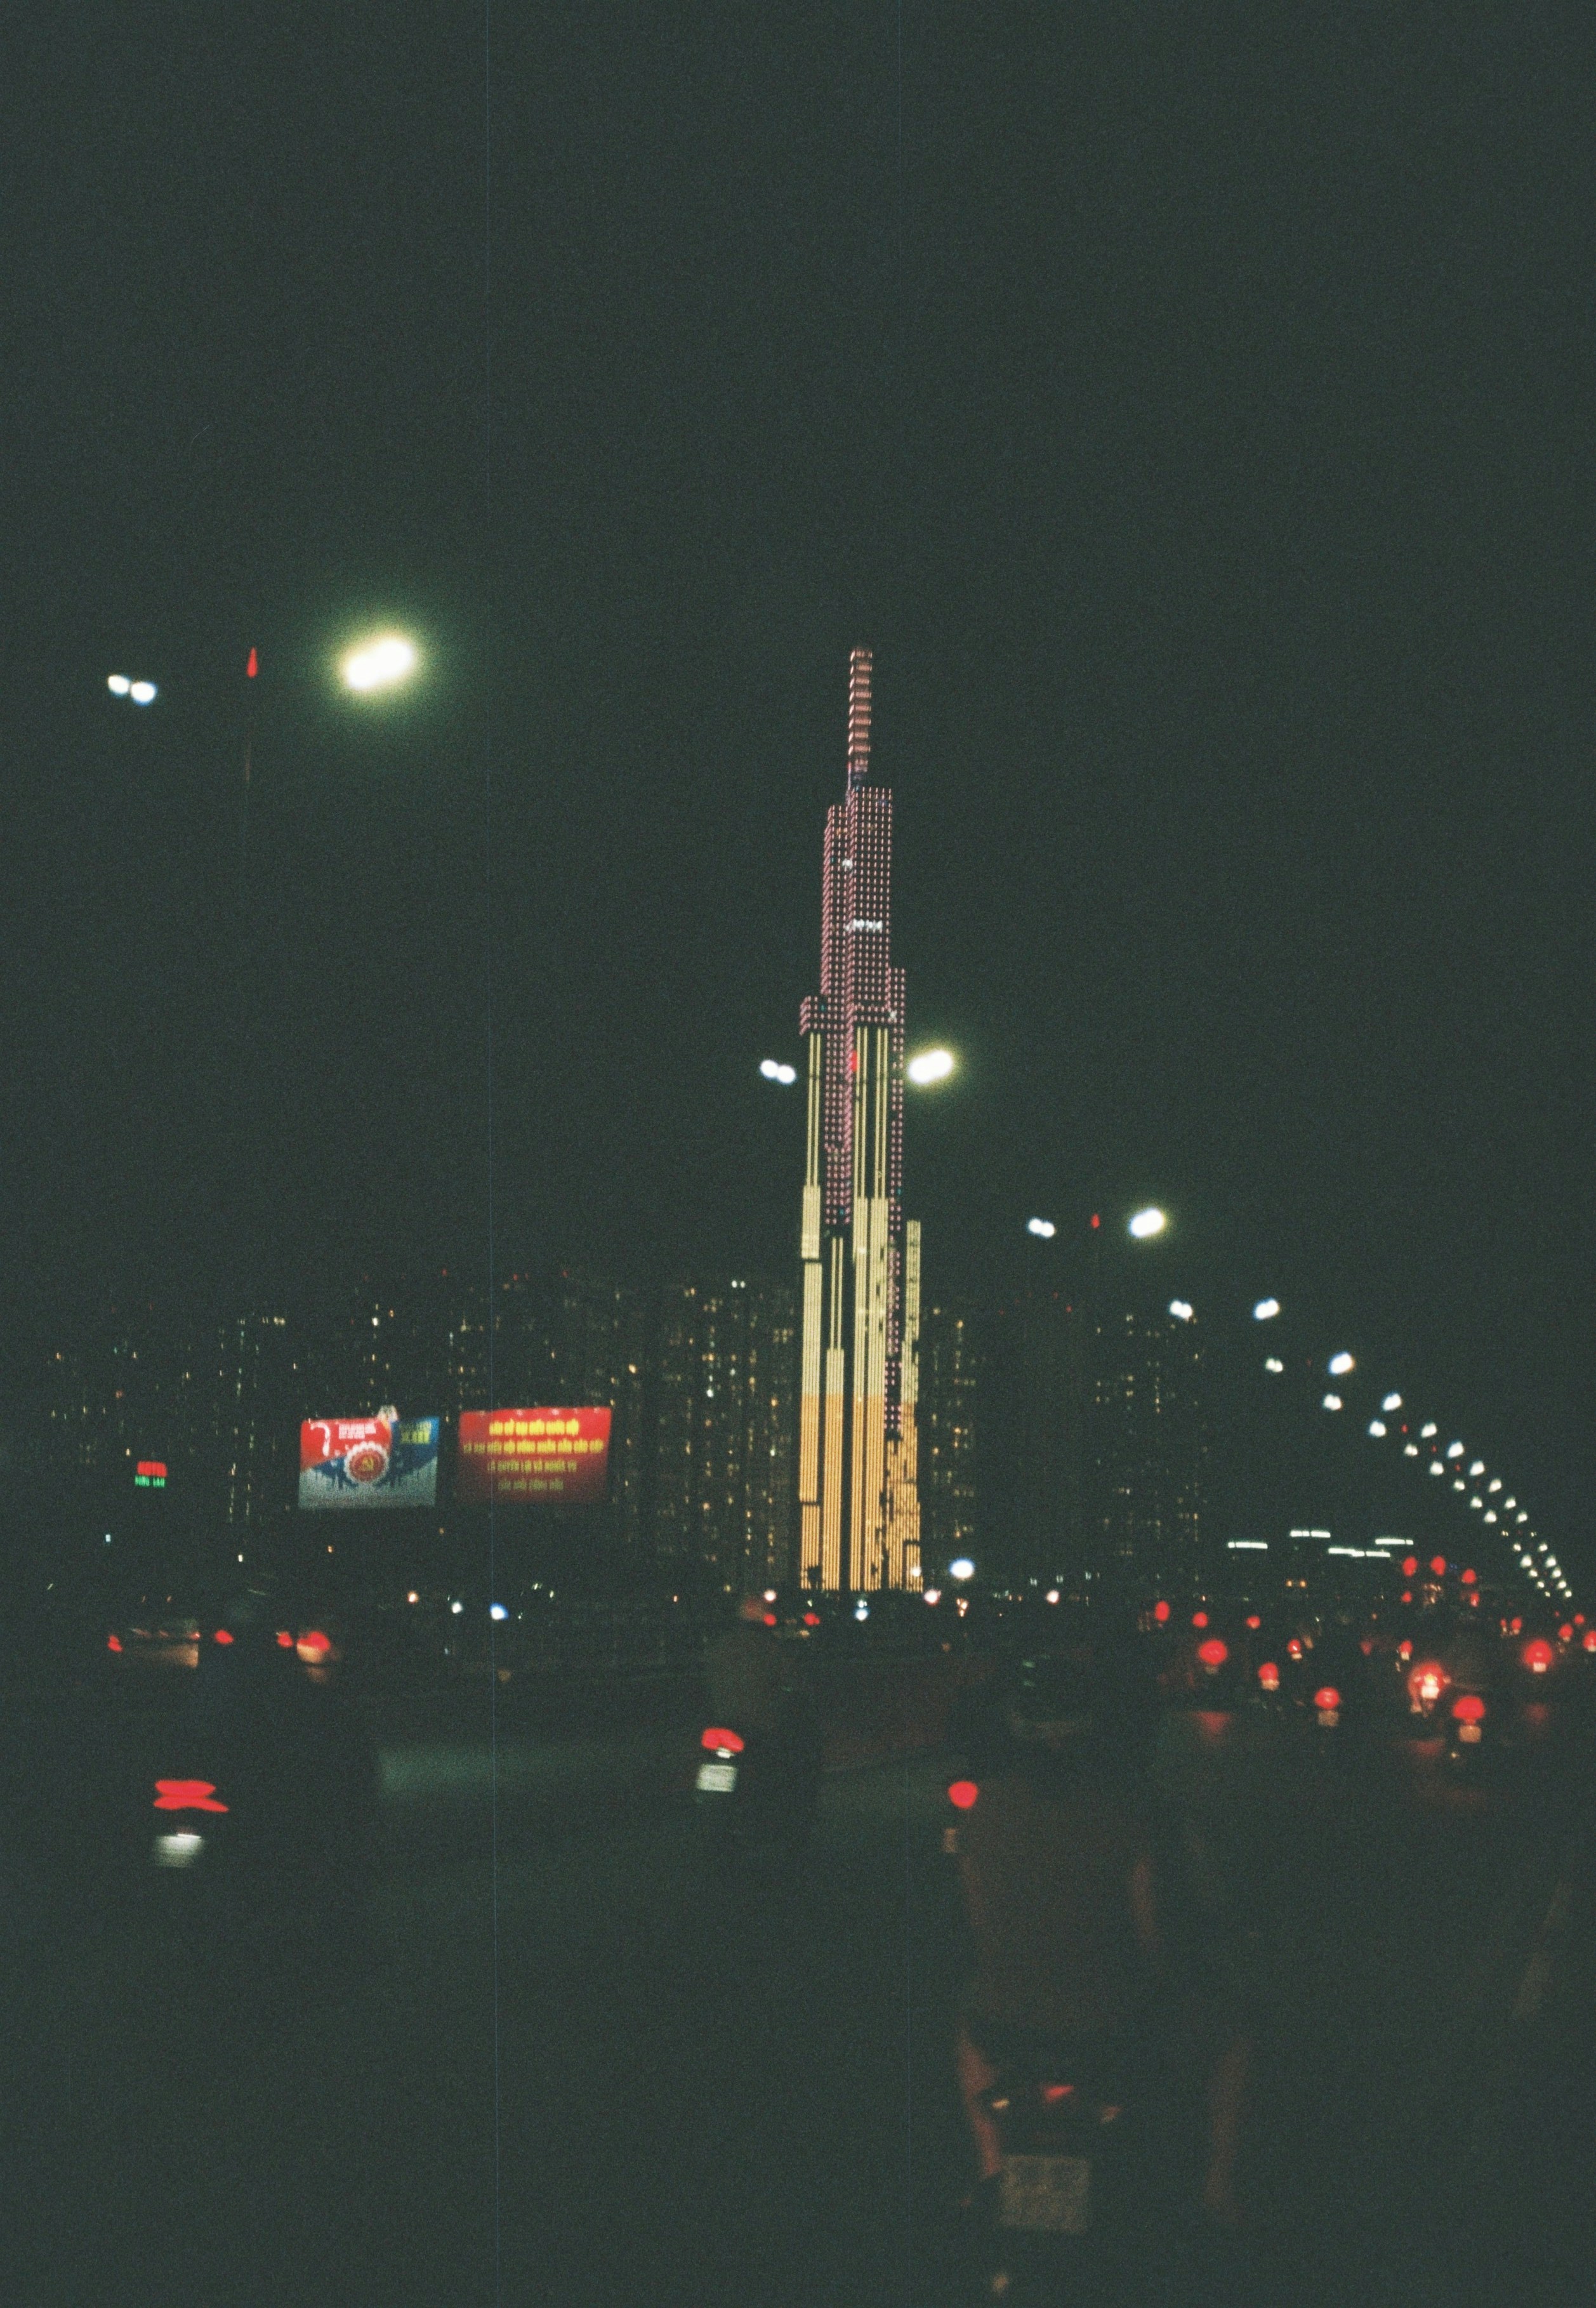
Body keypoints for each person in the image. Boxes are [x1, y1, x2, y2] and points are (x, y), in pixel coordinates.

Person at [951, 1649, 1251, 2235]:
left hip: (1005, 2018)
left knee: (965, 2039)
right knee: (1233, 2039)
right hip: (1105, 2018)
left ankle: (989, 2171)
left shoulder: (983, 1808)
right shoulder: (1129, 1809)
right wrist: (1169, 1977)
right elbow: (1150, 1932)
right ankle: (1217, 2190)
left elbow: (980, 1927)